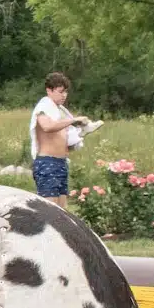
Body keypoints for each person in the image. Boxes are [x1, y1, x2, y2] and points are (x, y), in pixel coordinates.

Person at [29, 72, 100, 207]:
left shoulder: (60, 112)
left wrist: (81, 133)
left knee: (63, 213)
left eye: (66, 92)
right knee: (51, 211)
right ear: (49, 90)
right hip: (47, 163)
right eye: (60, 91)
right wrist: (73, 120)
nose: (64, 95)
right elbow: (47, 126)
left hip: (61, 164)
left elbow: (67, 144)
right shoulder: (43, 107)